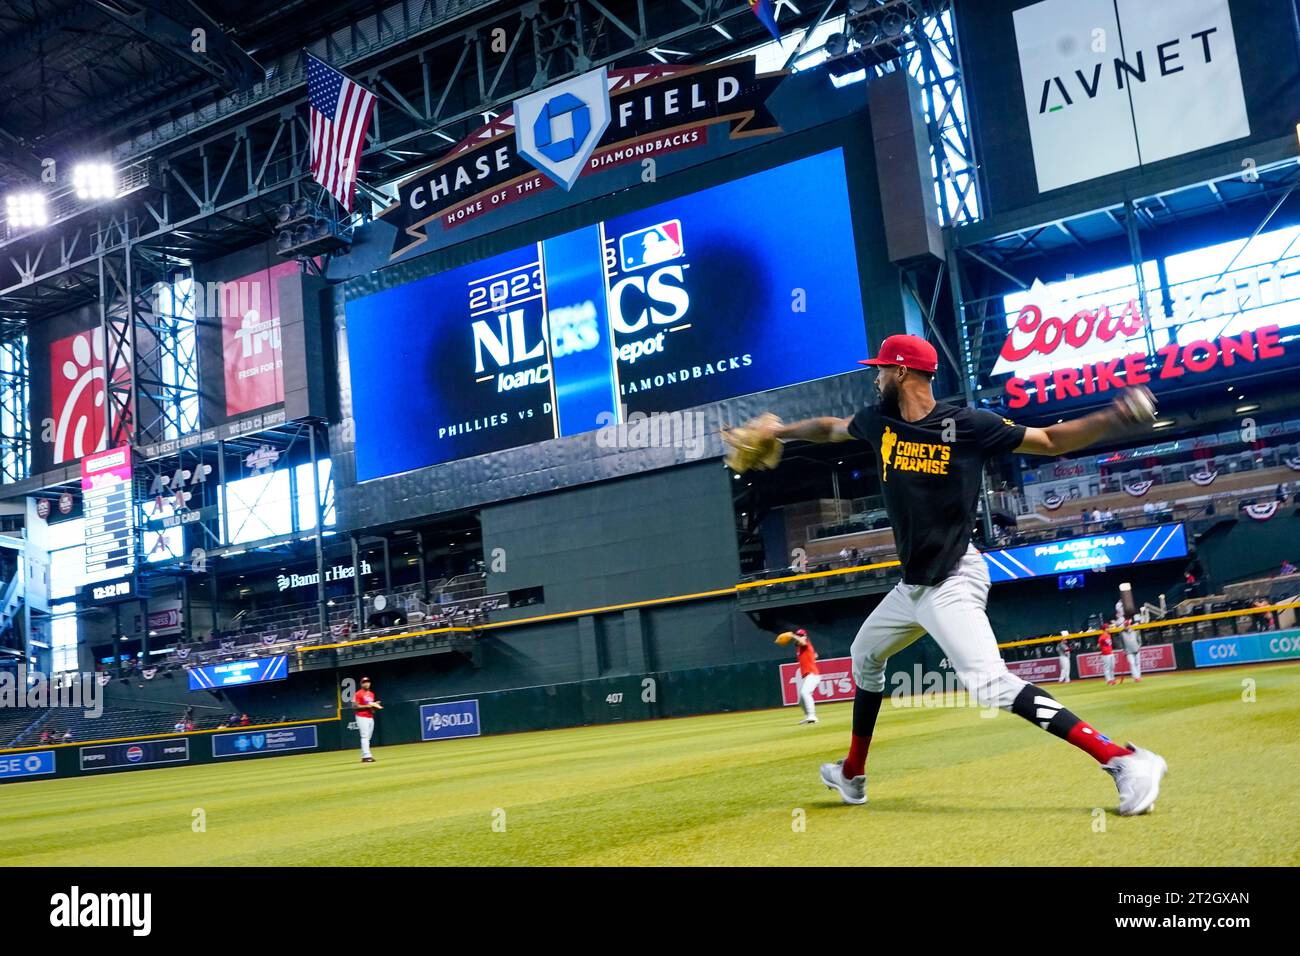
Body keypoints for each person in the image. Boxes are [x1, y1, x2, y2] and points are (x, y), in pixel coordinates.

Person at [724, 333, 1166, 816]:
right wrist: (778, 433)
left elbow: (1051, 440)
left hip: (953, 576)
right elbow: (830, 428)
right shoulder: (880, 422)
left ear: (901, 372)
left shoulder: (969, 424)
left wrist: (1115, 416)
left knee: (991, 685)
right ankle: (852, 773)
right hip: (912, 586)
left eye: (879, 370)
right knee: (863, 655)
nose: (875, 379)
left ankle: (1124, 761)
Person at [787, 629, 820, 725]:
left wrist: (793, 635)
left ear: (805, 636)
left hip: (812, 674)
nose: (799, 637)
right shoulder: (801, 649)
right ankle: (808, 717)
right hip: (806, 676)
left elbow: (803, 641)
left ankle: (812, 716)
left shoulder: (805, 642)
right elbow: (815, 655)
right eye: (798, 635)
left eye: (801, 635)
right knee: (801, 700)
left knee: (805, 693)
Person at [353, 676, 383, 763]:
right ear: (361, 684)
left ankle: (364, 756)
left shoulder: (371, 694)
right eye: (364, 682)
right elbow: (354, 706)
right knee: (365, 736)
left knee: (368, 738)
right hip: (361, 716)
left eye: (368, 682)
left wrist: (374, 705)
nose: (367, 683)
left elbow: (371, 709)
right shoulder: (358, 693)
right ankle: (367, 756)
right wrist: (368, 706)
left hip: (370, 717)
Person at [1118, 616, 1142, 683]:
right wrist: (1123, 650)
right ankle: (1136, 677)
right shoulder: (1121, 633)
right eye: (1125, 625)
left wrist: (1139, 646)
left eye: (1127, 625)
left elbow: (1139, 641)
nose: (1127, 626)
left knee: (1137, 663)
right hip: (1128, 651)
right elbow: (1120, 643)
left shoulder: (1135, 632)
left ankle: (1138, 676)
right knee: (1132, 663)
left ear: (1130, 625)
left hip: (1136, 649)